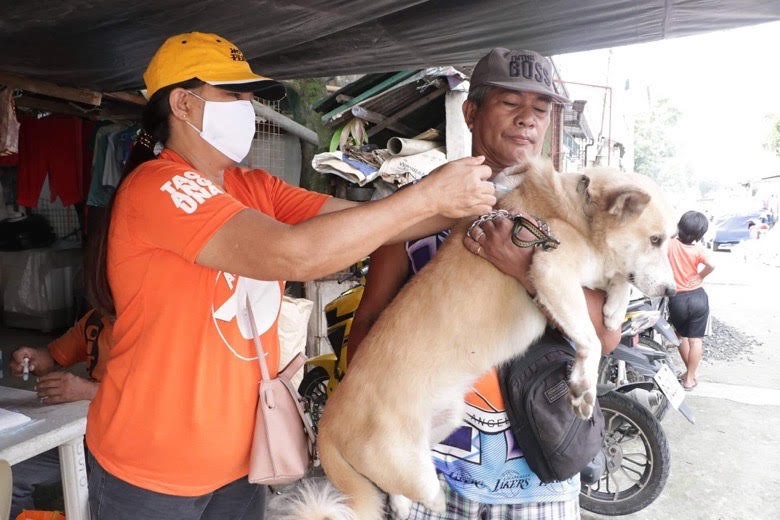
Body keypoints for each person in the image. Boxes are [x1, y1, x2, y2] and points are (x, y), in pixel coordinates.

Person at [82, 31, 497, 520]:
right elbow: (292, 255)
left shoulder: (252, 185)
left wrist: (476, 199)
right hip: (150, 467)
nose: (250, 107)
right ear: (183, 104)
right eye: (234, 94)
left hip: (242, 462)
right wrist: (428, 198)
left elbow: (384, 224)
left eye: (251, 96)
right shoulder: (159, 187)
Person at [348, 48, 620, 519]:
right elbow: (370, 318)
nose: (527, 121)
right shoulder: (416, 207)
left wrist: (524, 268)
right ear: (471, 111)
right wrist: (367, 424)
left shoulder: (571, 210)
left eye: (540, 109)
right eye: (510, 104)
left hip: (535, 470)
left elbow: (606, 335)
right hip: (428, 468)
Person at [7, 308, 112, 518]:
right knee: (8, 475)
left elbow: (166, 397)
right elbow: (53, 356)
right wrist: (33, 358)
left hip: (135, 453)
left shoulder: (163, 323)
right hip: (84, 440)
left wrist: (89, 391)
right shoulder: (97, 318)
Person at [667, 210, 716, 391]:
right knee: (696, 340)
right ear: (699, 234)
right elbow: (712, 265)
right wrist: (701, 276)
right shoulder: (698, 250)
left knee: (680, 337)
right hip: (698, 297)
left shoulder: (669, 245)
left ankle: (689, 374)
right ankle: (689, 378)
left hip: (677, 298)